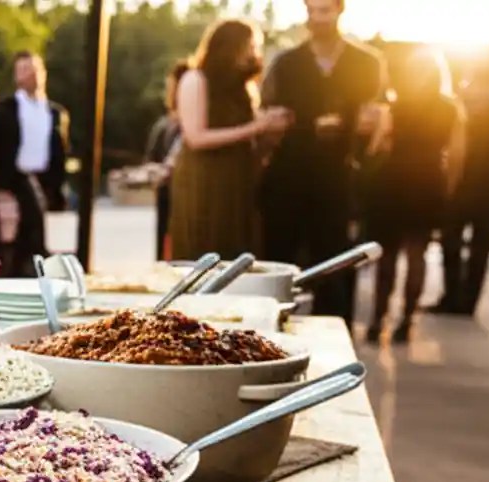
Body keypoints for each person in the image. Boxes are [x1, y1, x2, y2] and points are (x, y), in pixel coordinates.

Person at [258, 0, 386, 330]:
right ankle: (270, 330)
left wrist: (364, 128)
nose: (318, 18)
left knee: (335, 262)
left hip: (339, 176)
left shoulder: (365, 62)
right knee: (279, 258)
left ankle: (334, 334)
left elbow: (379, 115)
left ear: (340, 10)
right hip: (289, 175)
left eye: (325, 10)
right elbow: (269, 115)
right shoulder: (287, 63)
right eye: (312, 10)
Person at [366, 50, 465, 344]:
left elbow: (376, 148)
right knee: (417, 255)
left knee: (387, 257)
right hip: (427, 180)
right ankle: (406, 322)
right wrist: (447, 188)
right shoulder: (451, 108)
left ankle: (376, 319)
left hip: (393, 180)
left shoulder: (394, 107)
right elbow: (458, 155)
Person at [169, 21, 288, 261]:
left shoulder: (244, 88)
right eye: (251, 46)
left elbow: (249, 137)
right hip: (204, 182)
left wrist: (271, 130)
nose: (255, 54)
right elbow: (195, 137)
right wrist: (255, 127)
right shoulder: (195, 79)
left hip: (238, 181)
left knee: (237, 252)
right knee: (204, 251)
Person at [432, 64, 489, 316]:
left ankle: (451, 296)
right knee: (482, 243)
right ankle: (468, 302)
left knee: (452, 240)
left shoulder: (464, 104)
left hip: (464, 179)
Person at [0, 51, 70, 277]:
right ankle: (32, 269)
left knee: (32, 233)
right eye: (24, 69)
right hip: (16, 178)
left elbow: (60, 152)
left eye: (34, 69)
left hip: (44, 178)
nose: (31, 75)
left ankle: (25, 271)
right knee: (29, 230)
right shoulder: (6, 109)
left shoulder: (56, 112)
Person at [145, 60, 189, 260]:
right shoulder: (164, 125)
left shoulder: (188, 126)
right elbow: (152, 159)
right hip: (165, 197)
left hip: (183, 197)